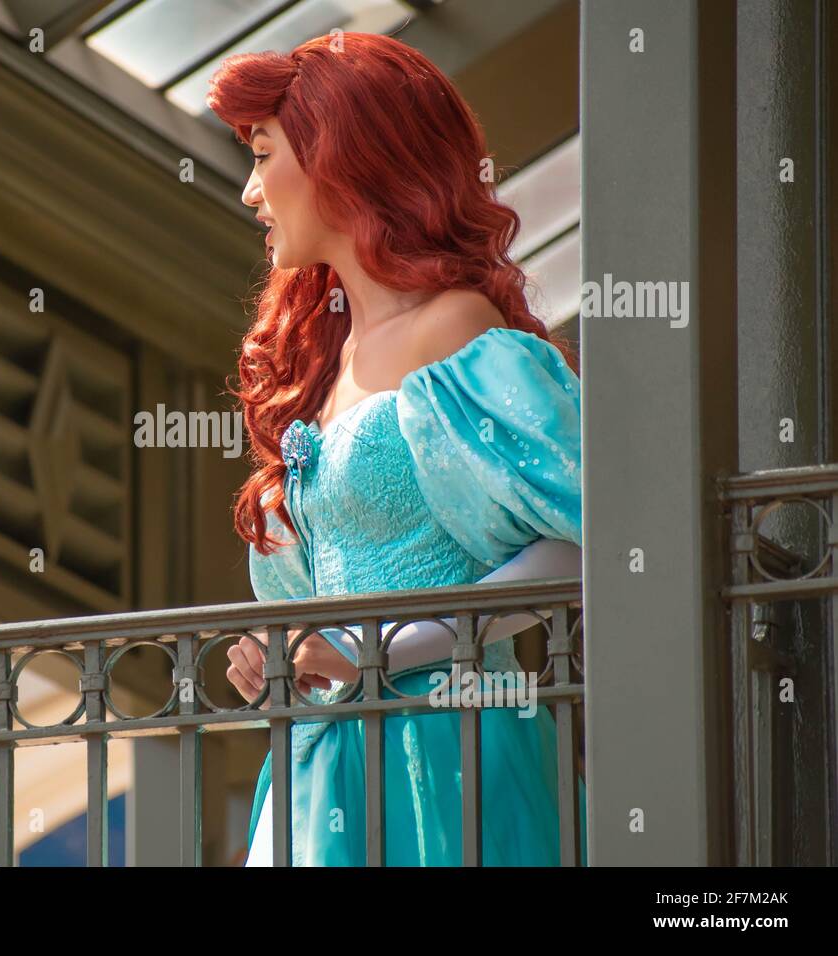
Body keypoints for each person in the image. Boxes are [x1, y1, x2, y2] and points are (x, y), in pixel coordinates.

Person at [206, 31, 587, 866]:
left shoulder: (456, 331)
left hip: (446, 754)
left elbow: (580, 548)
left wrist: (371, 649)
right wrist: (281, 658)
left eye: (264, 155)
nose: (248, 193)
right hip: (318, 765)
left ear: (339, 155)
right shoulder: (318, 368)